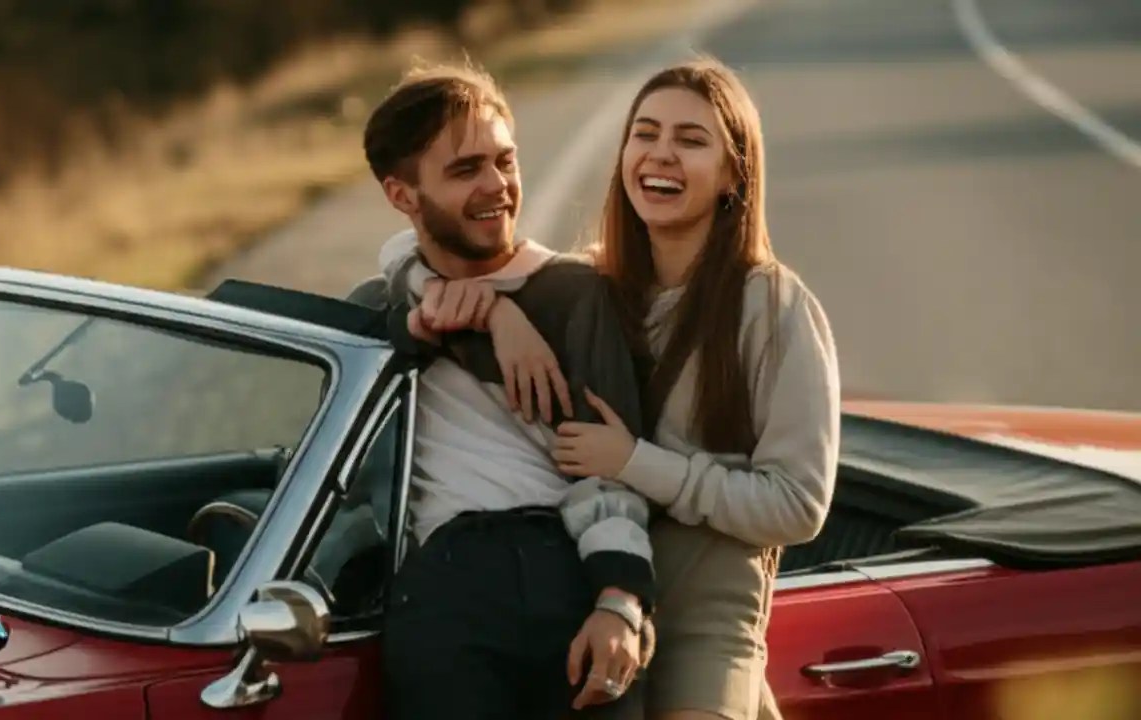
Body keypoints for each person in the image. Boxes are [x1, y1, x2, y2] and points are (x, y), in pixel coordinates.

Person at [399, 57, 842, 720]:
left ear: (734, 174)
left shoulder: (773, 305)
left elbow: (798, 505)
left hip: (706, 602)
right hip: (592, 589)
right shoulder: (592, 286)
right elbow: (416, 261)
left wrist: (635, 462)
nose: (660, 154)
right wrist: (496, 311)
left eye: (691, 140)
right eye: (645, 133)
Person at [347, 62, 659, 720]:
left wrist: (620, 601)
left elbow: (611, 468)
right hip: (445, 587)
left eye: (505, 160)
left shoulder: (574, 293)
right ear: (403, 195)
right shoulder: (383, 308)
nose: (497, 185)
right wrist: (488, 310)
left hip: (565, 566)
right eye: (466, 170)